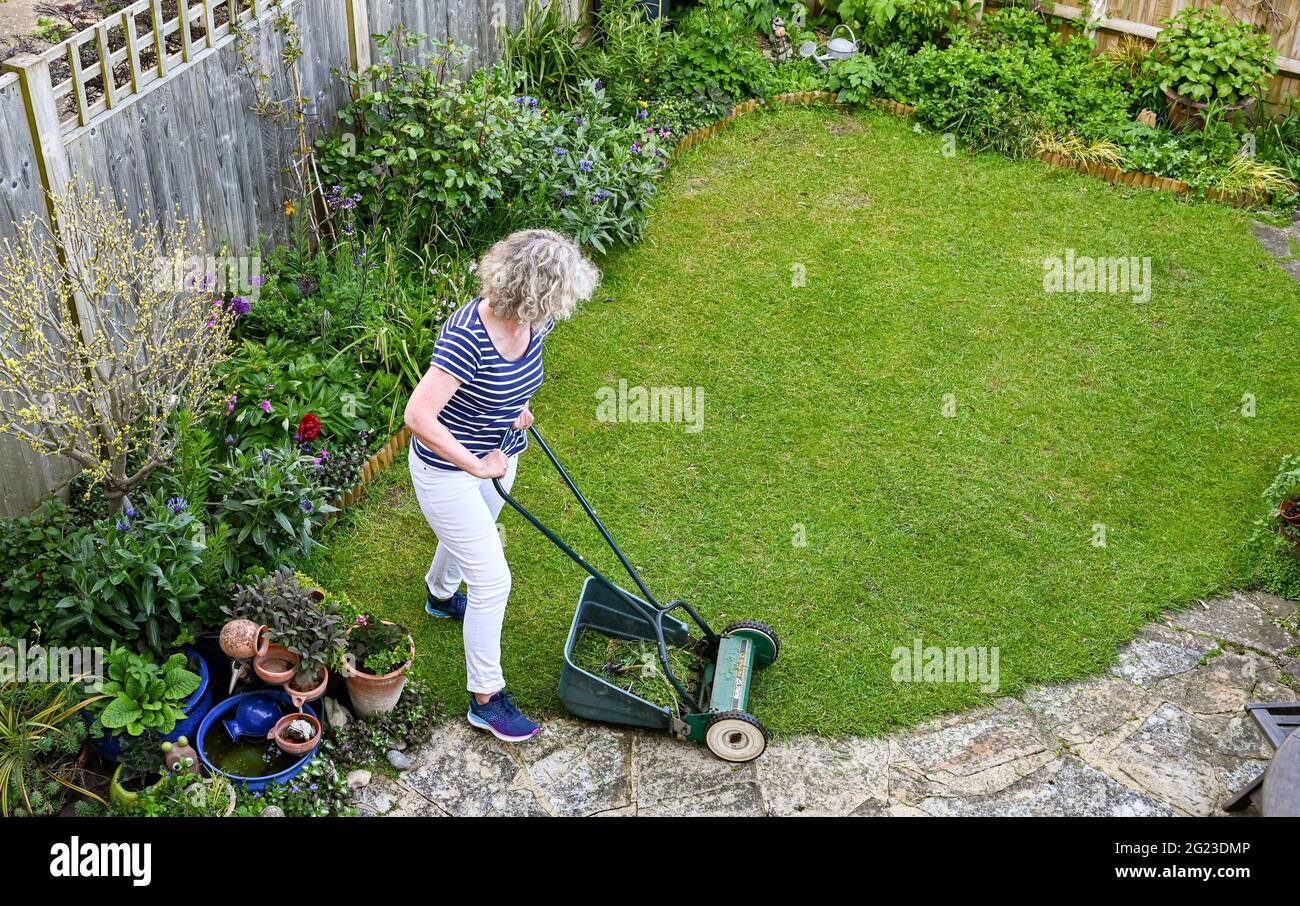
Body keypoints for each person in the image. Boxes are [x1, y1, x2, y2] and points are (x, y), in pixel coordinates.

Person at [403, 229, 600, 742]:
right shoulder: (467, 336)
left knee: (472, 537)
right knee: (493, 580)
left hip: (501, 455)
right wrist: (472, 463)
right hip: (448, 471)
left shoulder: (536, 321)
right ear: (529, 290)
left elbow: (515, 377)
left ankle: (440, 596)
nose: (559, 308)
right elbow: (418, 415)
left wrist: (517, 408)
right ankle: (484, 699)